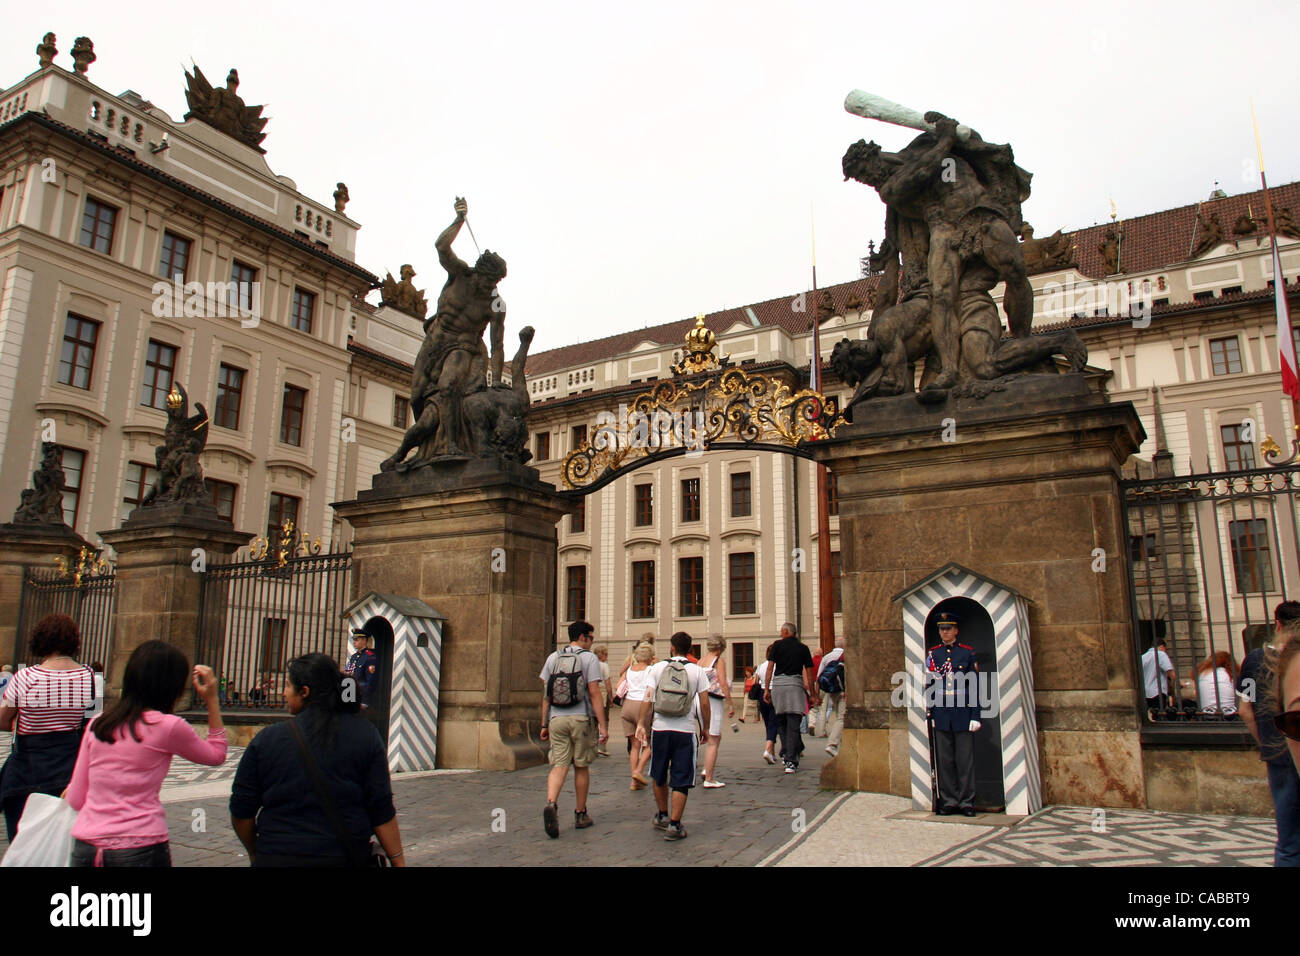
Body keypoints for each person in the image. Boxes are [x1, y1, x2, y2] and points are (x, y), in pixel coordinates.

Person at [230, 653, 404, 866]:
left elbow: (241, 810)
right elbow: (381, 808)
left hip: (277, 855)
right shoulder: (366, 735)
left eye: (287, 686)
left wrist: (255, 851)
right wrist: (398, 860)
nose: (284, 693)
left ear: (304, 692)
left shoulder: (267, 739)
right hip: (344, 857)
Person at [66, 642, 226, 866]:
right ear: (172, 686)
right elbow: (216, 754)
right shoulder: (168, 726)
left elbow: (75, 798)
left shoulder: (97, 724)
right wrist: (212, 700)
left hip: (87, 846)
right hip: (140, 841)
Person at [0, 614, 95, 840]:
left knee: (23, 843)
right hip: (68, 770)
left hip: (26, 770)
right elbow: (91, 724)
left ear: (40, 640)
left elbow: (3, 720)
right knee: (59, 843)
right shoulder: (91, 677)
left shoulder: (24, 676)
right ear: (74, 641)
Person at [1238, 600, 1300, 866]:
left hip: (1278, 752)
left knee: (1289, 840)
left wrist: (1264, 741)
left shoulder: (1255, 660)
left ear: (1277, 624)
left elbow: (1245, 709)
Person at [636, 631, 709, 841]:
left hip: (660, 729)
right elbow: (704, 703)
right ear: (691, 649)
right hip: (685, 731)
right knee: (681, 777)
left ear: (671, 647)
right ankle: (675, 825)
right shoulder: (697, 671)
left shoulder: (657, 668)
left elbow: (648, 698)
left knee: (659, 773)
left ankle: (662, 815)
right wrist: (705, 727)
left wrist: (642, 723)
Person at [539, 620, 607, 837]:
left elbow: (546, 695)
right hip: (580, 718)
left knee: (559, 765)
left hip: (556, 718)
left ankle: (551, 803)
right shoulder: (589, 658)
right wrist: (603, 724)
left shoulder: (553, 657)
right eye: (591, 638)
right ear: (583, 637)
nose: (592, 641)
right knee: (581, 766)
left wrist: (544, 723)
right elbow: (595, 692)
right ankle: (580, 813)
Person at [927, 612, 981, 816]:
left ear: (956, 630)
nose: (945, 632)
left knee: (965, 760)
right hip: (942, 714)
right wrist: (930, 710)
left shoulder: (967, 653)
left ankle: (967, 802)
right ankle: (949, 800)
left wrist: (976, 715)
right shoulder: (934, 654)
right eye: (942, 629)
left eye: (948, 628)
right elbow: (930, 684)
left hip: (963, 713)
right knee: (945, 761)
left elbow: (975, 686)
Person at [764, 622, 817, 773]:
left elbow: (770, 669)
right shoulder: (803, 648)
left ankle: (787, 752)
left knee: (781, 721)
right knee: (794, 722)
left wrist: (767, 689)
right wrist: (812, 694)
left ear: (787, 632)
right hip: (795, 685)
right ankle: (791, 760)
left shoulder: (777, 646)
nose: (781, 634)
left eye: (782, 632)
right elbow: (809, 672)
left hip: (779, 686)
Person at [698, 636, 735, 788]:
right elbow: (723, 683)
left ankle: (707, 767)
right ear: (720, 649)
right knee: (714, 739)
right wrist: (730, 703)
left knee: (712, 737)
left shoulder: (701, 661)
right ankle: (709, 778)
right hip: (713, 701)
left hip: (701, 701)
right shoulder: (718, 661)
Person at [620, 643, 655, 789]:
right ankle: (639, 770)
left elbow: (619, 686)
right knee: (651, 743)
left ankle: (634, 782)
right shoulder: (651, 670)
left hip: (627, 706)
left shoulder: (629, 670)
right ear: (650, 657)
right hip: (642, 706)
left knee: (635, 745)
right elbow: (651, 690)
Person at [817, 635, 847, 756]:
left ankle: (824, 731)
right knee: (842, 717)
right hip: (843, 690)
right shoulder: (846, 655)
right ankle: (832, 744)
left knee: (826, 711)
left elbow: (819, 676)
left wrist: (817, 695)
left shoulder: (827, 657)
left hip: (831, 689)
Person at [757, 643, 780, 764]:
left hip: (762, 693)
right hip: (774, 692)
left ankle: (772, 752)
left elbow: (757, 680)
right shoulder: (777, 665)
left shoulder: (761, 666)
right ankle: (767, 749)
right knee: (774, 723)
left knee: (768, 723)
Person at [343, 629, 377, 708]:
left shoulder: (370, 657)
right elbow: (347, 674)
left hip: (361, 697)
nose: (354, 642)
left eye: (356, 640)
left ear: (364, 640)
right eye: (354, 640)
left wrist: (364, 700)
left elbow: (371, 680)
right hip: (350, 695)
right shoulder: (354, 657)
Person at [1141, 639, 1177, 713]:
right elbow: (1169, 671)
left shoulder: (1143, 656)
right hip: (1157, 691)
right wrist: (1177, 681)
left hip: (1145, 692)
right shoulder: (1161, 654)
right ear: (1163, 646)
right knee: (1160, 714)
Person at [591, 643, 613, 756]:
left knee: (593, 721)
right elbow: (608, 683)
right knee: (604, 720)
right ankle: (602, 746)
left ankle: (593, 745)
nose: (607, 656)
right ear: (603, 655)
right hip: (602, 695)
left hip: (591, 695)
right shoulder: (604, 666)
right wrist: (611, 697)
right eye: (606, 654)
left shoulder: (591, 664)